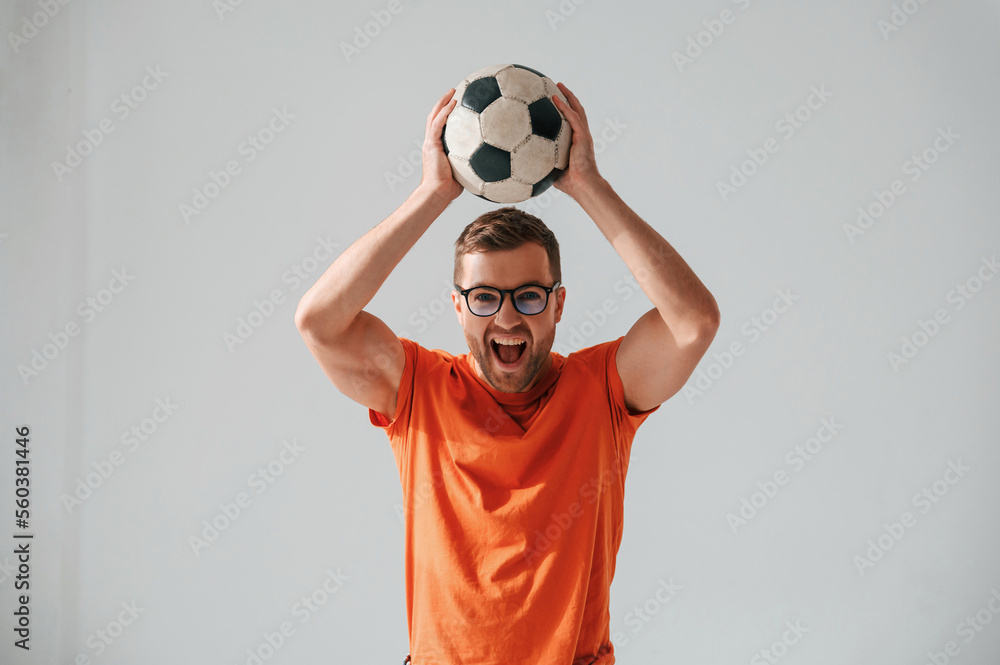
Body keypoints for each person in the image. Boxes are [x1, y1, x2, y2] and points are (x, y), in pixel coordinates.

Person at [295, 83, 720, 665]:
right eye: (484, 297)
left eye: (528, 296)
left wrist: (587, 187)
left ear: (559, 304)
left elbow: (693, 322)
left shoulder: (601, 392)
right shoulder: (417, 389)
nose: (507, 318)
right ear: (456, 305)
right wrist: (431, 194)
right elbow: (319, 321)